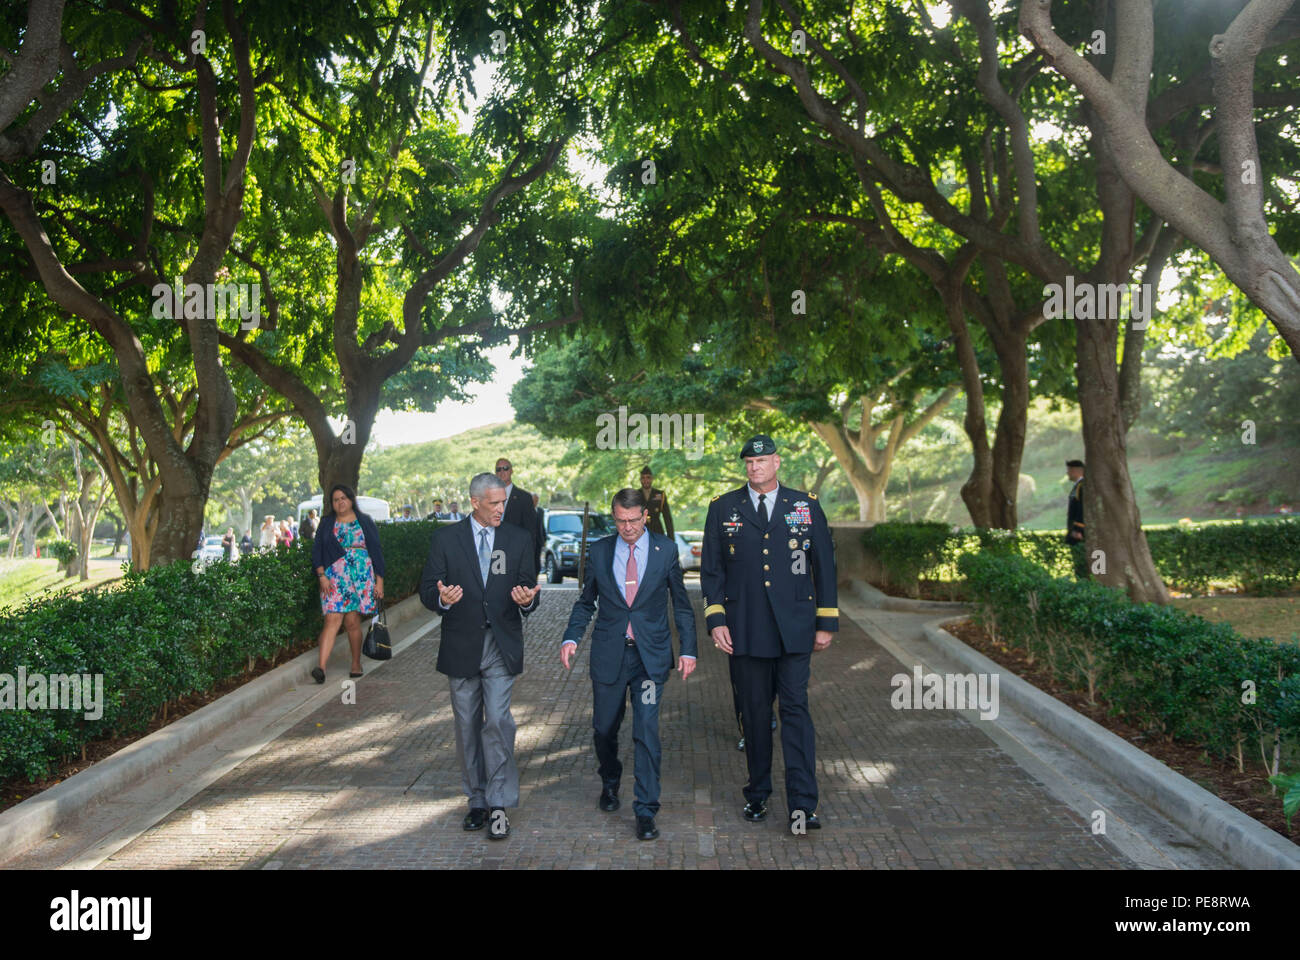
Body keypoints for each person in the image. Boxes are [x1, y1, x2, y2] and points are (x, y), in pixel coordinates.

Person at [701, 434, 837, 834]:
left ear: (777, 462)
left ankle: (803, 805)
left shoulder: (805, 506)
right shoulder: (723, 508)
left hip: (795, 631)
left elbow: (824, 567)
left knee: (796, 713)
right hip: (745, 631)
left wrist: (826, 621)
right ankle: (757, 794)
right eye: (748, 462)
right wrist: (716, 619)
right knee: (756, 717)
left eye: (762, 461)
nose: (754, 467)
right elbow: (712, 571)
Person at [561, 489, 697, 841]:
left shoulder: (665, 550)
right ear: (614, 517)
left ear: (645, 517)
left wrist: (689, 649)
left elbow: (681, 604)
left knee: (646, 731)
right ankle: (610, 778)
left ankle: (646, 810)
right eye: (620, 521)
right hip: (610, 655)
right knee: (604, 728)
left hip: (649, 659)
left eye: (633, 521)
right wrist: (571, 637)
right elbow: (586, 601)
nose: (627, 528)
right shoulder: (601, 549)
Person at [419, 472, 541, 840]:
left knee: (498, 721)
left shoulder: (518, 539)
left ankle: (499, 802)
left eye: (503, 502)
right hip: (461, 644)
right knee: (467, 724)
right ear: (474, 503)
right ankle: (476, 799)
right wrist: (442, 599)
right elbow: (428, 589)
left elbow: (528, 586)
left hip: (500, 644)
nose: (501, 509)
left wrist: (528, 600)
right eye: (494, 503)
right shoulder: (445, 538)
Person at [310, 484, 386, 684]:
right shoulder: (327, 523)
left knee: (352, 622)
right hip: (334, 577)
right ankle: (321, 668)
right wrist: (321, 576)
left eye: (344, 498)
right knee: (332, 619)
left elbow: (376, 551)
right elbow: (317, 551)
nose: (340, 502)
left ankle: (356, 663)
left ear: (351, 499)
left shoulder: (365, 521)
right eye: (336, 499)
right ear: (332, 504)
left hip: (360, 577)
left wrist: (380, 581)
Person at [496, 458, 545, 566]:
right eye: (498, 469)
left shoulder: (524, 498)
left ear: (511, 471)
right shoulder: (489, 497)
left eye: (505, 468)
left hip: (517, 556)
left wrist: (527, 560)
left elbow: (530, 532)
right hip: (495, 556)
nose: (502, 472)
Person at [638, 466, 674, 539]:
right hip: (640, 533)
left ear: (652, 479)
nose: (645, 480)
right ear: (640, 480)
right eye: (643, 478)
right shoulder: (635, 494)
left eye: (648, 477)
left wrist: (671, 538)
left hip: (657, 532)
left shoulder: (660, 495)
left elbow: (667, 518)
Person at [1065, 459, 1086, 578]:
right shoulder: (1078, 485)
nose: (1067, 473)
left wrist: (1078, 529)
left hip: (1080, 533)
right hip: (1077, 531)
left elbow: (1082, 507)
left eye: (1069, 470)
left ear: (1076, 471)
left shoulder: (1082, 486)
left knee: (1083, 562)